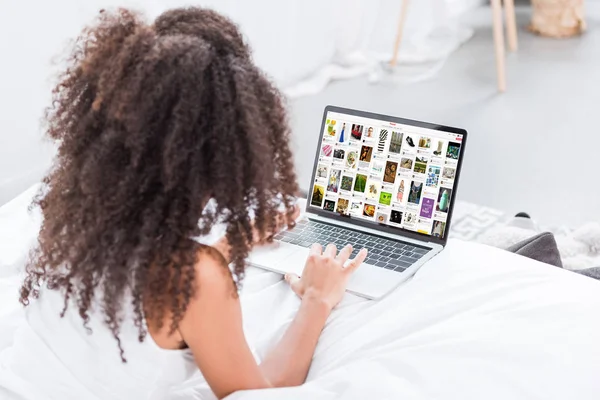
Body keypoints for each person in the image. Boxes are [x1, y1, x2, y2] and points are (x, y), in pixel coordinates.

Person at [0, 8, 367, 400]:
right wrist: (317, 299)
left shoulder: (71, 211)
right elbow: (259, 393)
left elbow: (143, 282)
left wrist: (235, 243)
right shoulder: (194, 281)